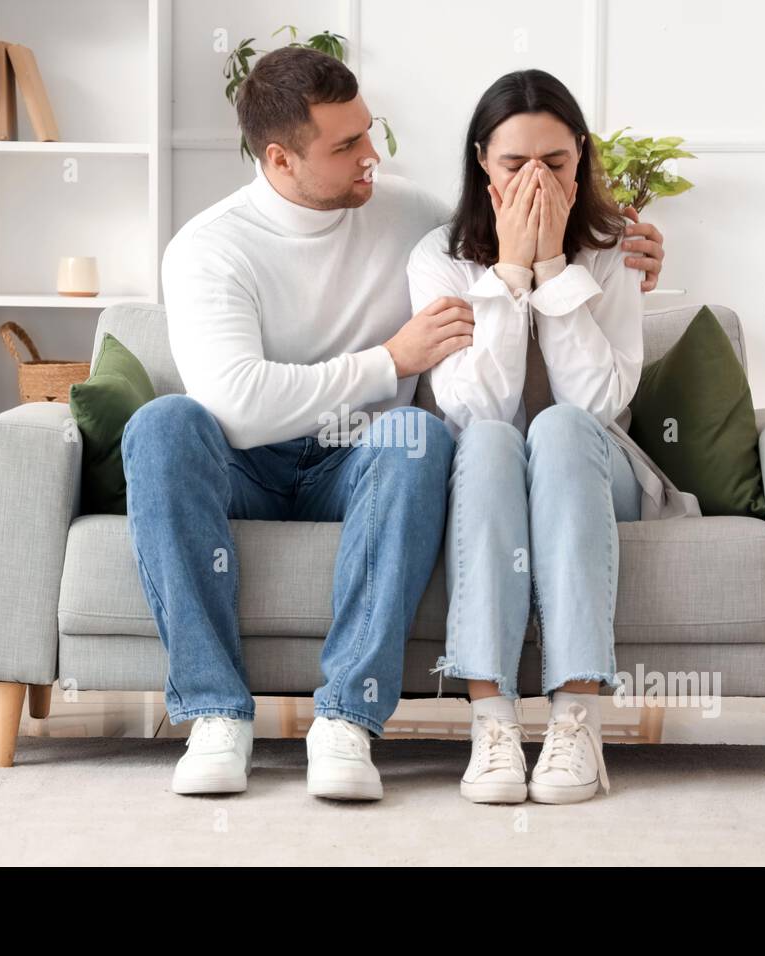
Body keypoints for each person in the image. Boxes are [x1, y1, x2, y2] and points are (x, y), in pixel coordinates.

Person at [122, 49, 668, 802]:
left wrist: (617, 251)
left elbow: (515, 234)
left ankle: (346, 716)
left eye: (367, 133)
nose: (370, 156)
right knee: (160, 425)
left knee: (420, 437)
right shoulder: (208, 247)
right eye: (345, 146)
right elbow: (238, 404)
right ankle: (215, 713)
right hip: (243, 461)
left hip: (359, 459)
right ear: (280, 159)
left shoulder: (410, 216)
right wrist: (389, 361)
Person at [406, 69, 695, 806]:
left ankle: (576, 721)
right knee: (496, 442)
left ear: (582, 157)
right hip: (490, 473)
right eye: (514, 165)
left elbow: (597, 401)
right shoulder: (437, 258)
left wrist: (556, 272)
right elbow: (477, 411)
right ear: (482, 163)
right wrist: (507, 274)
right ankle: (493, 723)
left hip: (594, 474)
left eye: (556, 163)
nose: (537, 180)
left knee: (562, 425)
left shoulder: (615, 251)